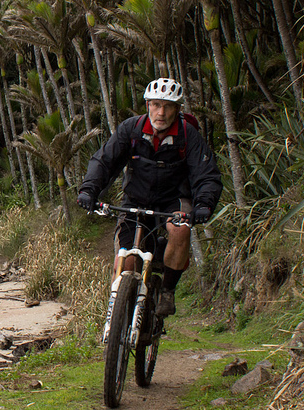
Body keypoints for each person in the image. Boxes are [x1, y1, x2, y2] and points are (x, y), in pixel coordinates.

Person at [76, 77, 223, 316]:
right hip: (135, 200)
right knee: (125, 264)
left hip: (173, 199)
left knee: (180, 229)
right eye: (155, 104)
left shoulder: (188, 135)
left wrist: (204, 204)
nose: (161, 112)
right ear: (147, 105)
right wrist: (88, 190)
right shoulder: (131, 129)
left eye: (167, 106)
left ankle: (167, 290)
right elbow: (104, 160)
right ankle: (117, 320)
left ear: (177, 109)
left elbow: (206, 174)